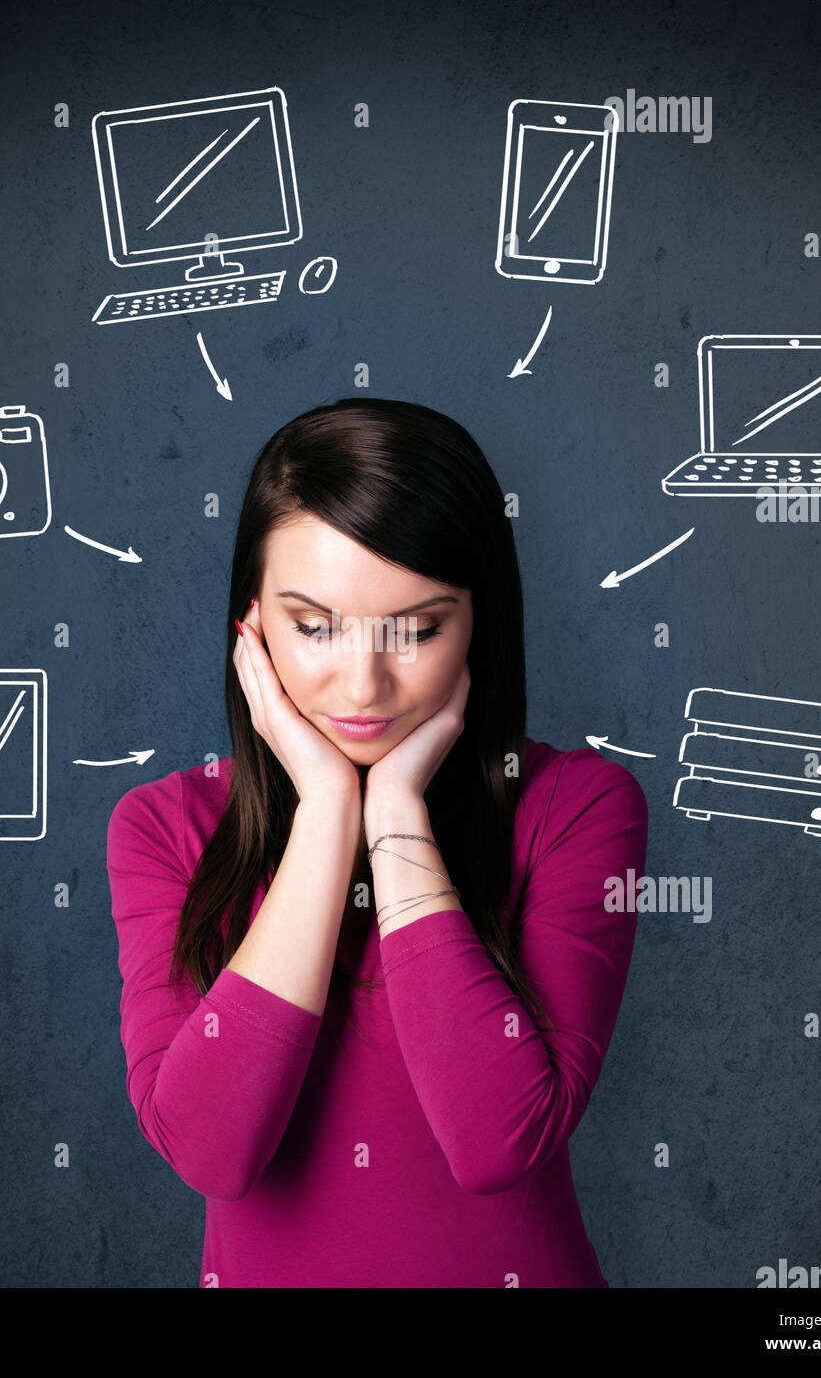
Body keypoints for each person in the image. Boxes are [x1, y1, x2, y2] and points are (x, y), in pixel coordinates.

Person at [106, 396, 648, 1287]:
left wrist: (394, 812)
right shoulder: (165, 828)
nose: (365, 683)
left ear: (481, 624)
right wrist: (326, 809)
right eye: (314, 627)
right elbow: (210, 1153)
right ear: (251, 627)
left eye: (419, 629)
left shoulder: (578, 807)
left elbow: (496, 1143)